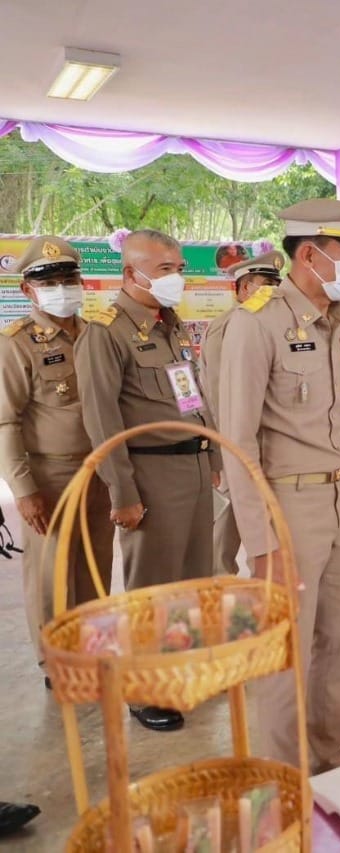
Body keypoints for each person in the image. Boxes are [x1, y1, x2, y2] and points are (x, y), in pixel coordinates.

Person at [218, 194, 340, 773]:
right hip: (286, 509)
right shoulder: (257, 323)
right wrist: (260, 542)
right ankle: (285, 777)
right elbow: (237, 442)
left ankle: (329, 760)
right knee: (285, 652)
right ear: (310, 255)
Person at [75, 229, 217, 733]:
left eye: (179, 268)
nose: (176, 277)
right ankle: (142, 689)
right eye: (164, 270)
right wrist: (123, 492)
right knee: (152, 589)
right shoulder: (106, 333)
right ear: (130, 273)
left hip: (193, 467)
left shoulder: (170, 325)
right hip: (150, 475)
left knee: (193, 582)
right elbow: (101, 421)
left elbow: (190, 397)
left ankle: (182, 670)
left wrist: (212, 454)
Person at [0, 237, 113, 687]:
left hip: (100, 470)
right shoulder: (16, 344)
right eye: (48, 283)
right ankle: (56, 662)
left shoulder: (96, 335)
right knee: (51, 574)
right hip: (51, 474)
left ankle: (93, 650)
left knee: (95, 566)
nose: (61, 289)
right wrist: (24, 490)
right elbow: (5, 422)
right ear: (28, 290)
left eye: (68, 279)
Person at [202, 250, 284, 578]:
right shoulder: (228, 326)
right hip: (235, 445)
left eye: (277, 284)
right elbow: (221, 395)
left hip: (270, 447)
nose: (274, 291)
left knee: (267, 529)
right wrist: (227, 451)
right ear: (244, 288)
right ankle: (218, 590)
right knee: (228, 528)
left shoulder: (274, 323)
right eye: (266, 284)